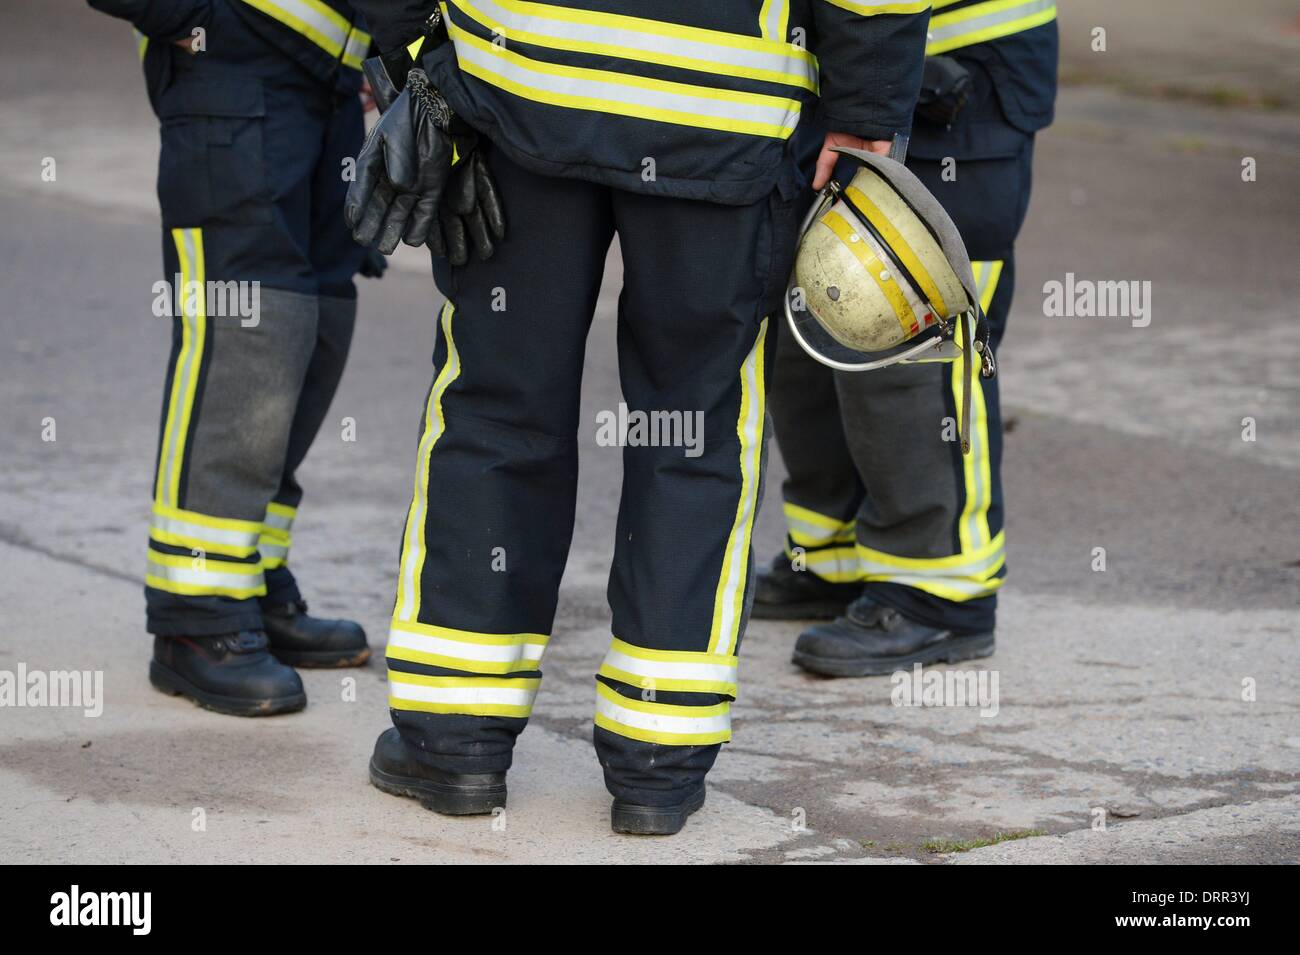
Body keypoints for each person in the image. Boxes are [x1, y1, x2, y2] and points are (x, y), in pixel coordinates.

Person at [345, 0, 930, 833]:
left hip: (523, 84)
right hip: (724, 105)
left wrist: (413, 54)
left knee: (498, 402)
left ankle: (454, 741)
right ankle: (658, 757)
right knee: (694, 421)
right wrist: (871, 99)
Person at [88, 0, 382, 715]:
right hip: (233, 68)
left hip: (328, 79)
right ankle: (199, 613)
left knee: (316, 323)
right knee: (249, 329)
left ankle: (247, 569)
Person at [753, 0, 1059, 678]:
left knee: (915, 330)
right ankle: (832, 556)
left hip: (950, 59)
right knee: (821, 308)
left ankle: (937, 587)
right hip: (844, 60)